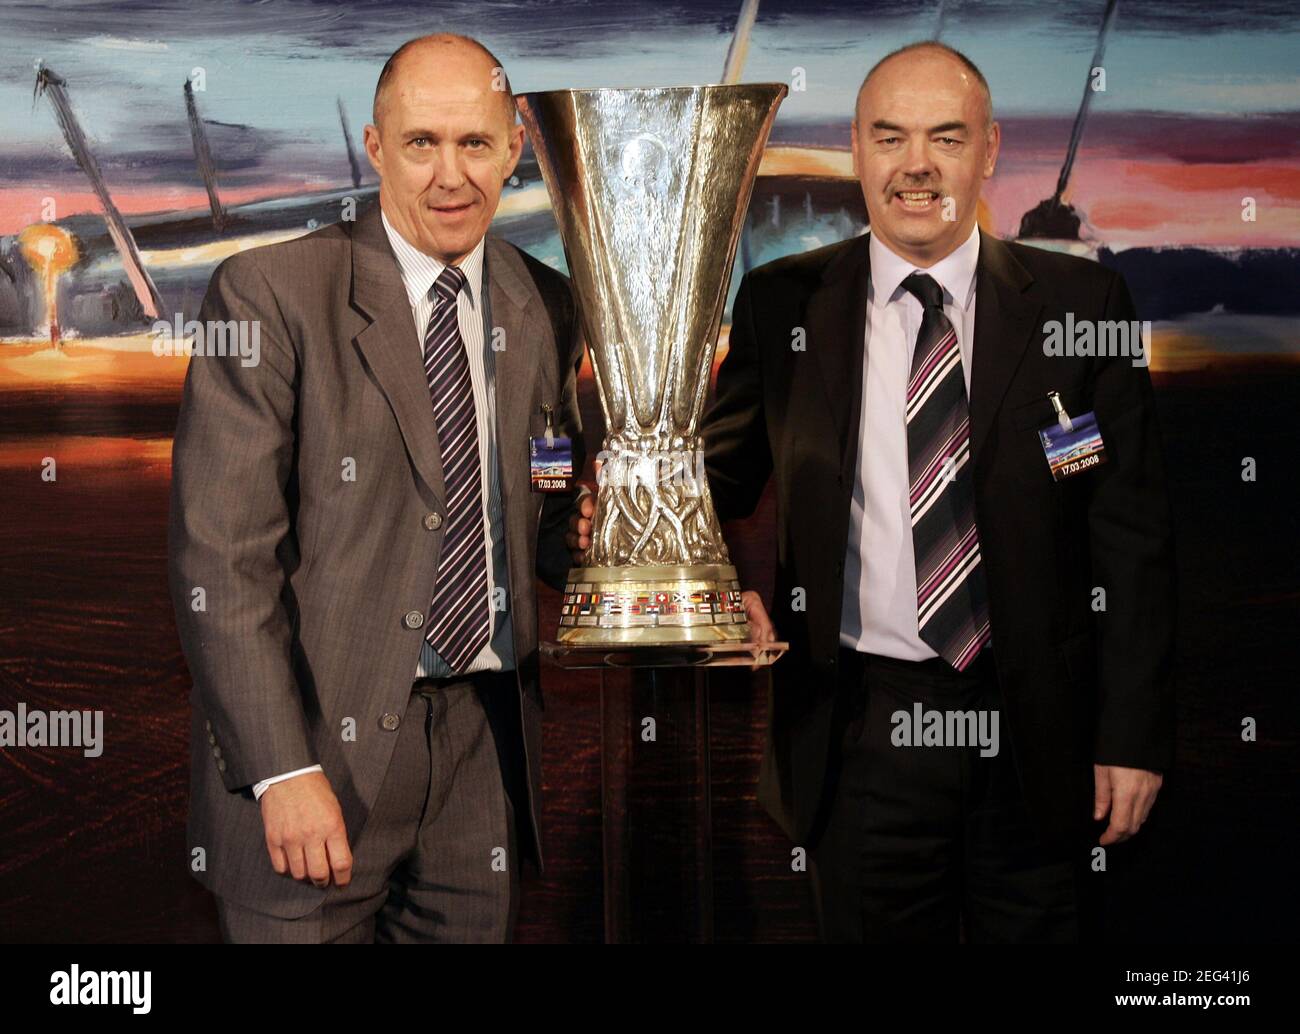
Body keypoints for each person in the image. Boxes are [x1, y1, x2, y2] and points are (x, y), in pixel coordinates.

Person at [576, 40, 1175, 942]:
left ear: (989, 149)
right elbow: (716, 478)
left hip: (1041, 740)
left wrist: (1130, 735)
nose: (917, 165)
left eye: (946, 136)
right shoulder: (785, 304)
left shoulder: (1083, 304)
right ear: (857, 148)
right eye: (890, 138)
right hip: (861, 738)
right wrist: (648, 525)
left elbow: (1133, 541)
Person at [169, 33, 584, 942]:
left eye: (475, 143)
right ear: (375, 146)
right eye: (421, 143)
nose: (451, 175)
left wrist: (623, 544)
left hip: (484, 757)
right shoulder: (269, 294)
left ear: (514, 148)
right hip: (319, 754)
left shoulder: (546, 302)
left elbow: (545, 518)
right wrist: (280, 772)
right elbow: (222, 561)